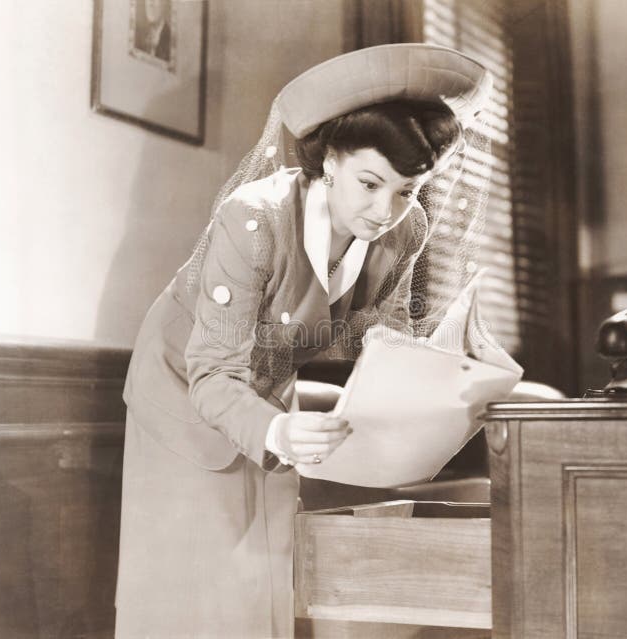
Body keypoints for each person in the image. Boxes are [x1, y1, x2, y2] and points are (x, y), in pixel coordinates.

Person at [114, 43, 493, 638]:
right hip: (184, 386)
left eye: (407, 190)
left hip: (268, 385)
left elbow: (381, 336)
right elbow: (211, 375)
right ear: (331, 160)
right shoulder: (253, 220)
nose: (385, 209)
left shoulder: (405, 230)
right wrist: (277, 431)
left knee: (267, 565)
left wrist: (449, 371)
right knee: (197, 580)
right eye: (370, 183)